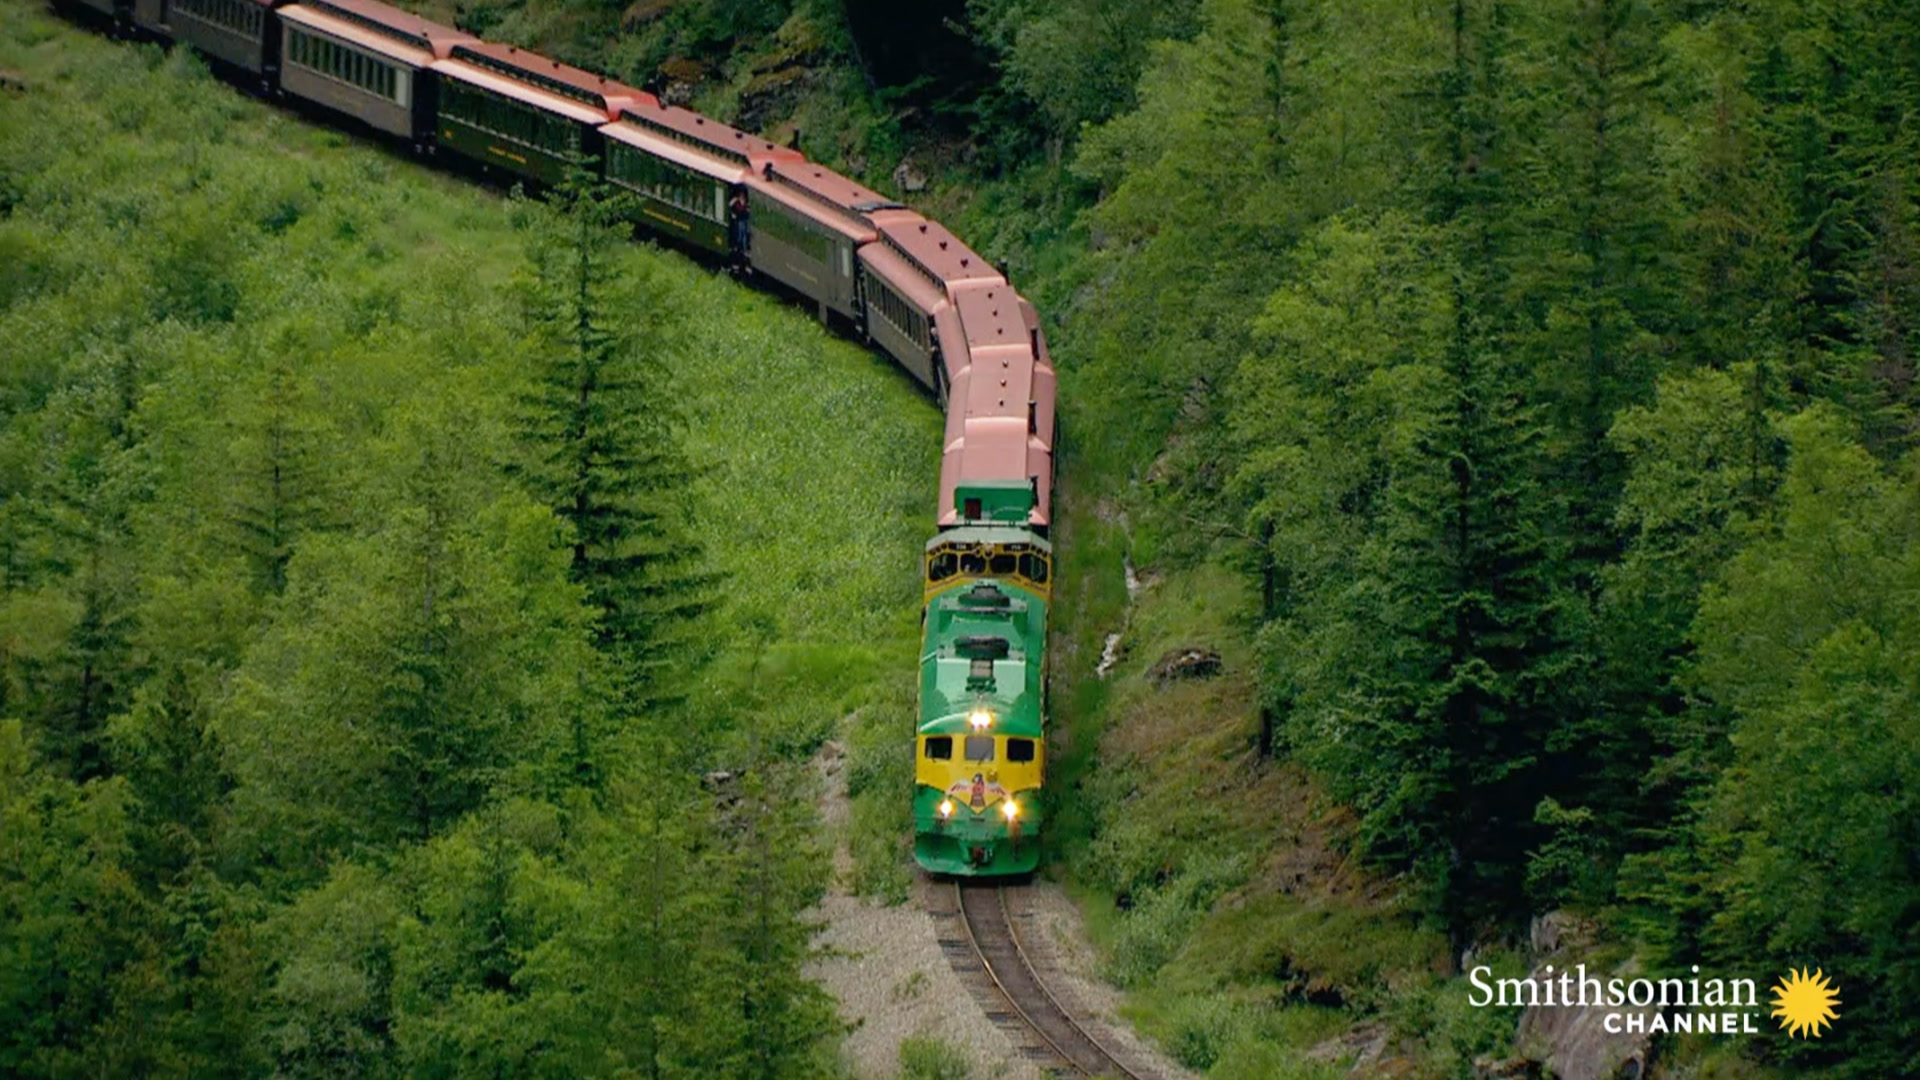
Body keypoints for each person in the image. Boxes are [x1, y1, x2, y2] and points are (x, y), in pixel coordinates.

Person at [727, 188, 750, 272]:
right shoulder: (736, 203)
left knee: (743, 234)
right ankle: (738, 246)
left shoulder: (745, 204)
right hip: (739, 221)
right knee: (739, 234)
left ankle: (743, 248)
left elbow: (747, 211)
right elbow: (730, 206)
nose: (742, 197)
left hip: (743, 221)